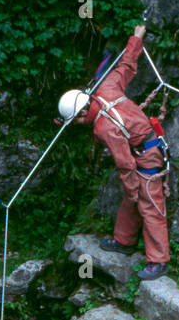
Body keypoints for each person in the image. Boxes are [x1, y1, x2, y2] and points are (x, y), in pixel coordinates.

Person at [57, 24, 170, 280]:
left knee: (148, 202)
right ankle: (124, 239)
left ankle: (159, 261)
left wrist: (131, 190)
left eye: (75, 120)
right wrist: (136, 37)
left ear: (83, 112)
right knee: (133, 198)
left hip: (146, 154)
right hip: (145, 146)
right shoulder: (105, 89)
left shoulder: (104, 128)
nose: (77, 125)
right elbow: (126, 66)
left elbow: (125, 163)